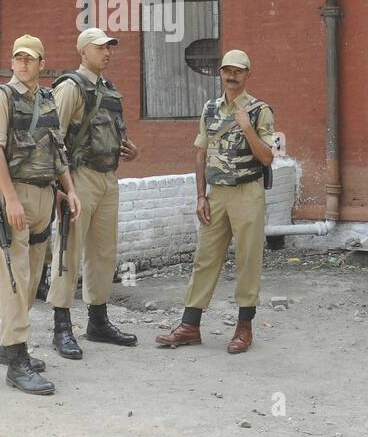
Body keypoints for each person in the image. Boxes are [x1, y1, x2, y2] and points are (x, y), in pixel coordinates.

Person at [156, 49, 275, 355]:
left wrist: (247, 127)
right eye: (226, 70)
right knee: (205, 257)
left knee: (248, 259)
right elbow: (201, 152)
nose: (232, 75)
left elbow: (267, 156)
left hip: (248, 192)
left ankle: (244, 326)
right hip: (216, 194)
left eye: (238, 71)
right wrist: (200, 196)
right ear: (220, 73)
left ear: (247, 74)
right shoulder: (210, 109)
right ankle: (190, 325)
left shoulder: (260, 111)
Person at [0, 35, 82, 395]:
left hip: (45, 195)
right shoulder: (1, 98)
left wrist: (68, 188)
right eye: (17, 58)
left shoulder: (46, 99)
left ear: (42, 63)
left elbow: (58, 149)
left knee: (29, 279)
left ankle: (10, 347)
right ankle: (17, 362)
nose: (22, 64)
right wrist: (9, 199)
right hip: (17, 196)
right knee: (14, 279)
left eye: (30, 59)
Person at [46, 27, 140, 358]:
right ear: (83, 52)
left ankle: (97, 321)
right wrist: (61, 185)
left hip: (107, 178)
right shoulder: (71, 87)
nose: (108, 52)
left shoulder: (108, 89)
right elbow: (51, 136)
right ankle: (61, 326)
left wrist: (129, 151)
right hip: (79, 178)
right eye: (100, 48)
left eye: (109, 47)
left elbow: (110, 134)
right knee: (68, 251)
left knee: (103, 253)